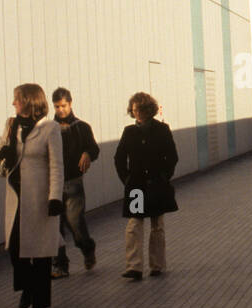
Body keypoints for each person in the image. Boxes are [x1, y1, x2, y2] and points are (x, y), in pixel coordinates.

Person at [0, 84, 64, 308]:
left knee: (40, 250)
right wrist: (3, 153)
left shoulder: (50, 128)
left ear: (28, 101)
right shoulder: (12, 124)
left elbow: (56, 164)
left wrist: (55, 197)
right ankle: (27, 286)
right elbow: (0, 150)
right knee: (15, 246)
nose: (13, 103)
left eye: (17, 99)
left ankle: (40, 300)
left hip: (39, 195)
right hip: (16, 196)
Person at [114, 92, 178, 280]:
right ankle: (134, 266)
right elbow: (119, 158)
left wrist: (164, 176)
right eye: (134, 110)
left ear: (148, 110)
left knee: (157, 225)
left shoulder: (162, 129)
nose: (137, 113)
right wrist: (126, 179)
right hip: (136, 187)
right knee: (134, 224)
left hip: (157, 185)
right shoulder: (129, 131)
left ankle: (157, 265)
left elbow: (172, 157)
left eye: (140, 109)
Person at [51, 88, 99, 278]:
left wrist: (87, 153)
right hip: (53, 183)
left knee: (74, 222)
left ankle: (87, 247)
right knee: (55, 226)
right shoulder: (49, 128)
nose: (60, 110)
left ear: (70, 104)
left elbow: (94, 149)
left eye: (63, 106)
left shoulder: (82, 127)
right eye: (57, 107)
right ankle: (60, 265)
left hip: (73, 182)